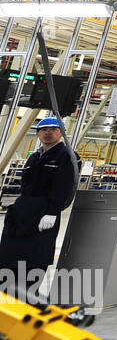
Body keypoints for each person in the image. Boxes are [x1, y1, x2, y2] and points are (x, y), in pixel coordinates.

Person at [0, 117, 78, 300]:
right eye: (43, 130)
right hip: (21, 212)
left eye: (53, 129)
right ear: (38, 134)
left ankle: (25, 298)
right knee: (8, 257)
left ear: (61, 133)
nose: (48, 132)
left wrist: (52, 211)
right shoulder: (34, 156)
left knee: (34, 258)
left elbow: (65, 186)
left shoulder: (66, 156)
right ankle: (5, 295)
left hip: (43, 213)